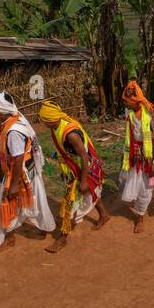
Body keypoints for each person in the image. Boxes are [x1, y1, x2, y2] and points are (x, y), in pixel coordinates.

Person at [38, 100, 109, 252]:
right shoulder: (57, 126)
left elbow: (83, 157)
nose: (42, 123)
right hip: (74, 168)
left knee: (70, 205)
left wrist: (83, 181)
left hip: (83, 170)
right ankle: (104, 215)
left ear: (50, 120)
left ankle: (63, 238)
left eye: (44, 120)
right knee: (92, 194)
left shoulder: (70, 134)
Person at [0, 91, 55, 250]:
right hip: (29, 169)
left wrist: (14, 184)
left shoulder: (13, 132)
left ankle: (9, 238)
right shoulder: (15, 120)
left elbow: (18, 158)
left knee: (8, 204)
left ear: (2, 112)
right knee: (36, 198)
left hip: (19, 173)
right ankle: (44, 228)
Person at [119, 82, 154, 232]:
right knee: (127, 179)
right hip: (134, 153)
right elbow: (129, 136)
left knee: (146, 186)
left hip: (148, 156)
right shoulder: (130, 113)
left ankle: (140, 217)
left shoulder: (151, 113)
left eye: (126, 100)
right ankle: (136, 204)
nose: (124, 102)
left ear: (135, 101)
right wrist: (125, 154)